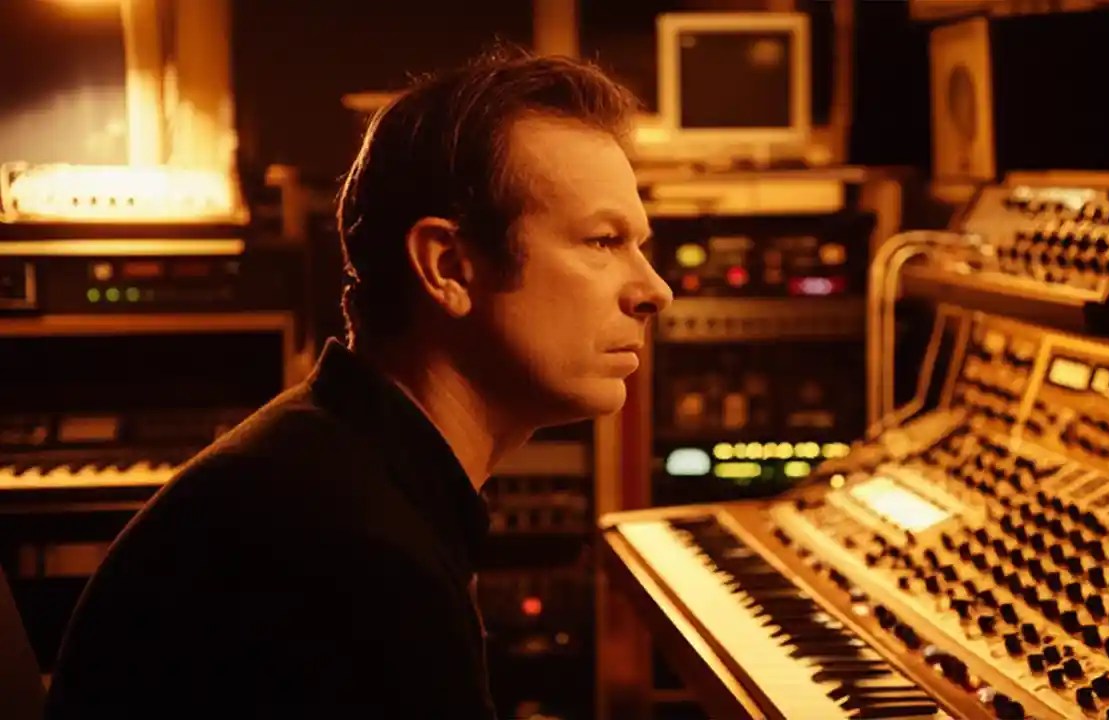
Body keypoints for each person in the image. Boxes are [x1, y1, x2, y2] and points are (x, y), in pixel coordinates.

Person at [45, 46, 672, 718]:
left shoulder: (335, 467)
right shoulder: (355, 557)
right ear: (449, 267)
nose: (653, 290)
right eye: (603, 242)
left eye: (640, 245)